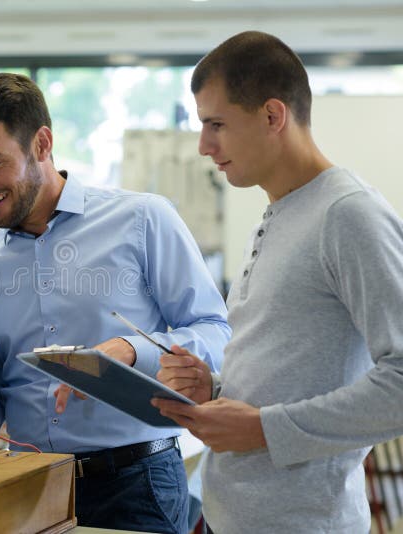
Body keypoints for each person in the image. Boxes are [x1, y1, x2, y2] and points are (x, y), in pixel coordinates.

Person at [0, 72, 231, 533]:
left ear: (42, 144)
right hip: (27, 485)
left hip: (136, 482)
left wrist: (133, 351)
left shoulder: (142, 218)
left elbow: (216, 330)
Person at [152, 31, 403, 534]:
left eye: (216, 124)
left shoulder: (348, 214)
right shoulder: (278, 212)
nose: (203, 146)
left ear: (272, 115)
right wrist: (216, 388)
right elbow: (296, 371)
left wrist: (263, 429)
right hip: (233, 515)